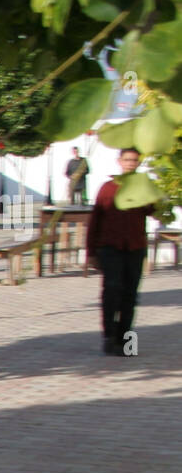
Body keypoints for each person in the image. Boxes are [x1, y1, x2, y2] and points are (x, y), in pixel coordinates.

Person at [87, 147, 156, 357]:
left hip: (135, 246)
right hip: (110, 247)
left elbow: (152, 210)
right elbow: (95, 220)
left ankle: (127, 341)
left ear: (139, 162)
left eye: (134, 160)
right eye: (127, 160)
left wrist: (148, 192)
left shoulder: (143, 187)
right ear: (120, 161)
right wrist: (91, 251)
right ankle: (109, 335)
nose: (130, 163)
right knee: (112, 289)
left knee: (131, 295)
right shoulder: (107, 188)